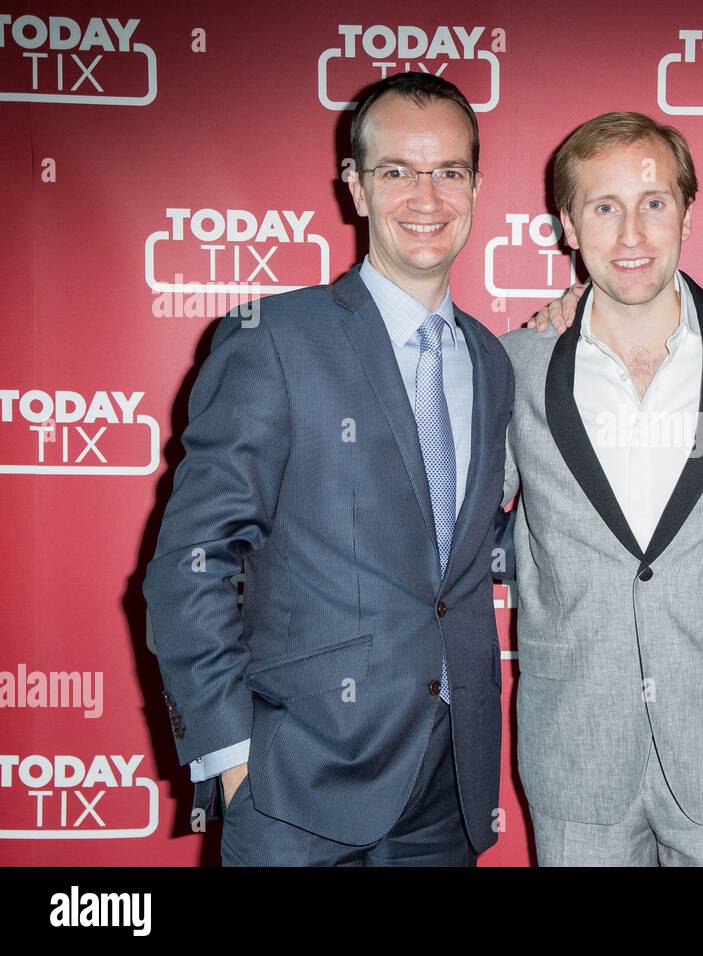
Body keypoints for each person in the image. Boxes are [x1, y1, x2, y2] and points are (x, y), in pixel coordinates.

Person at [142, 73, 514, 865]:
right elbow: (191, 562)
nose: (426, 195)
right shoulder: (275, 337)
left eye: (448, 171)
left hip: (448, 788)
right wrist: (233, 761)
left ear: (477, 187)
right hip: (295, 790)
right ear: (355, 187)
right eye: (396, 172)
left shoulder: (492, 360)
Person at [499, 112, 703, 865]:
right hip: (577, 756)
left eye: (654, 203)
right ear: (568, 225)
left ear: (688, 213)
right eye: (604, 208)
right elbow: (444, 527)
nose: (631, 234)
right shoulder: (513, 366)